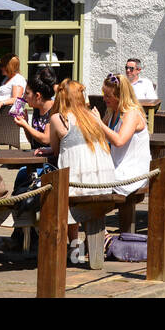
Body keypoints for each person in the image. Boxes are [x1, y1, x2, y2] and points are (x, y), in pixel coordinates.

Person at [48, 79, 116, 265]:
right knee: (74, 193)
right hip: (104, 183)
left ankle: (74, 247)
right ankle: (87, 248)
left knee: (65, 197)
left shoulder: (58, 118)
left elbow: (54, 149)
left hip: (79, 186)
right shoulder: (92, 117)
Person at [99, 73, 150, 196]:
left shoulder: (131, 114)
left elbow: (119, 141)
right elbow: (97, 133)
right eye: (103, 94)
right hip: (117, 168)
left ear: (120, 96)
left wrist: (98, 123)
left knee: (97, 182)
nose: (104, 99)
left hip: (132, 172)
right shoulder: (112, 113)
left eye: (108, 96)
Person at [15, 68, 58, 154]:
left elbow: (46, 139)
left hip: (50, 161)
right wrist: (25, 125)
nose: (24, 97)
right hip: (36, 157)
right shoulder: (37, 109)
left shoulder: (54, 110)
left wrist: (26, 126)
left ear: (37, 96)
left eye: (27, 93)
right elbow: (32, 141)